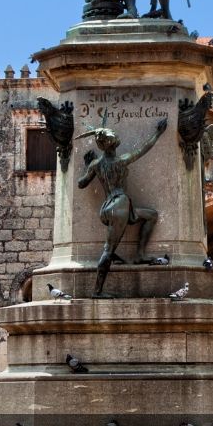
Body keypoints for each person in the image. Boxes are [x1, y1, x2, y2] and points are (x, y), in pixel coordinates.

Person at [77, 118, 168, 296]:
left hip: (111, 206)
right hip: (120, 205)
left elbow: (81, 184)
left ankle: (140, 254)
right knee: (109, 250)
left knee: (151, 216)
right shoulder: (121, 161)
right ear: (111, 145)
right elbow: (143, 149)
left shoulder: (97, 164)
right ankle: (97, 291)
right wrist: (157, 133)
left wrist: (89, 167)